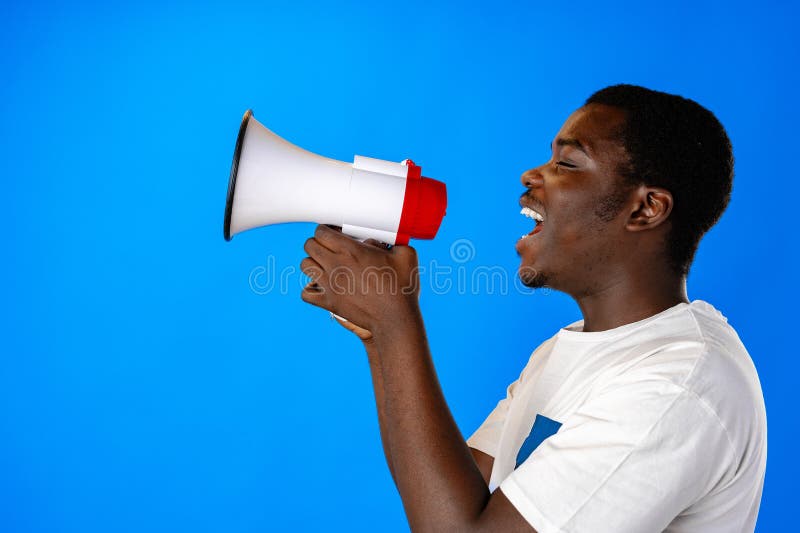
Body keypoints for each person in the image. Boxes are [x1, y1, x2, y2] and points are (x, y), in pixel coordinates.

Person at [299, 84, 767, 532]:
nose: (532, 174)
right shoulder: (568, 350)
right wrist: (378, 330)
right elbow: (457, 499)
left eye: (567, 162)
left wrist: (395, 327)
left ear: (645, 209)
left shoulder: (679, 386)